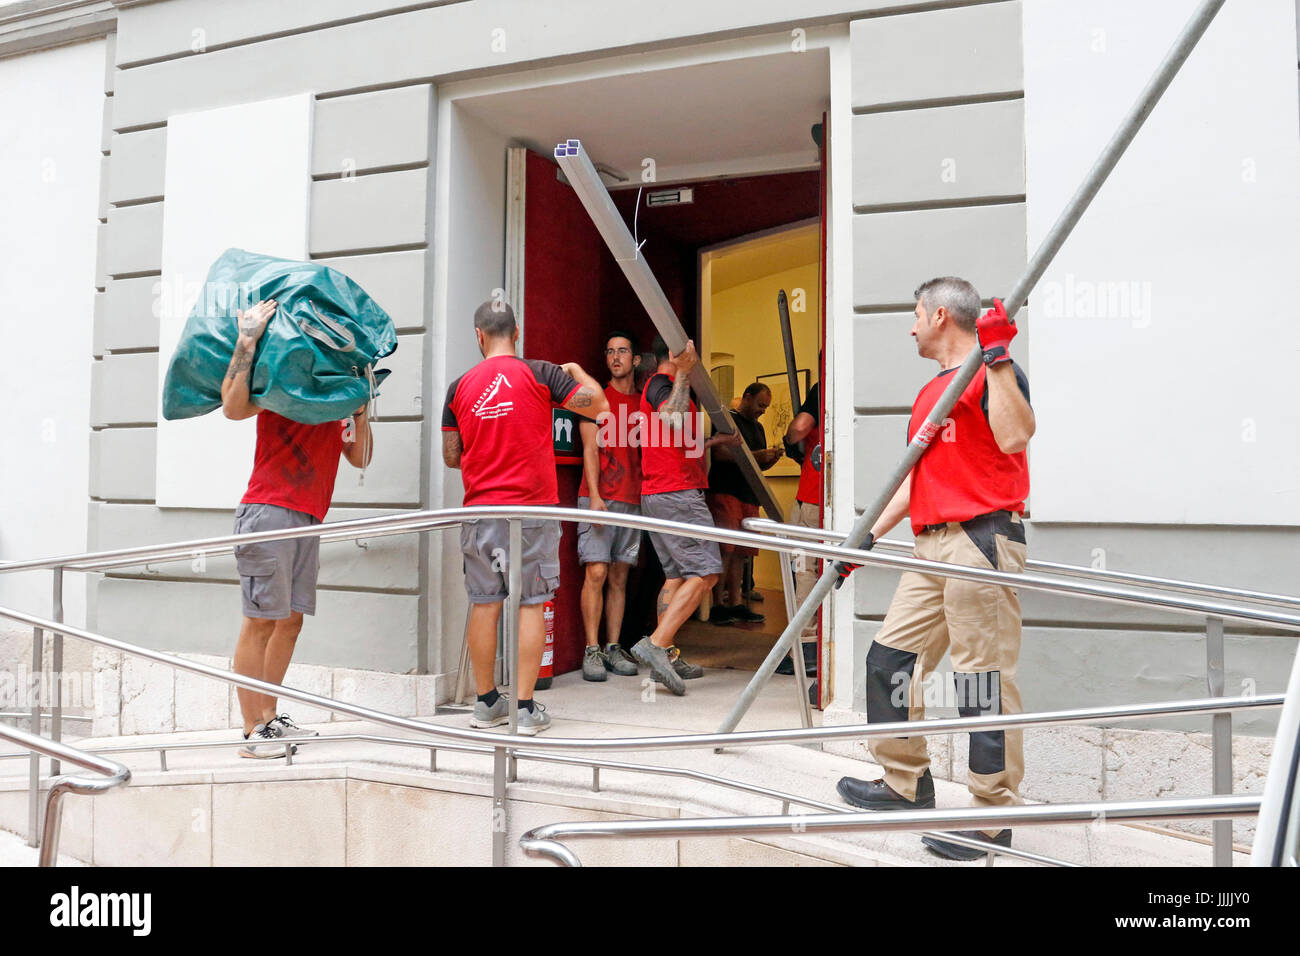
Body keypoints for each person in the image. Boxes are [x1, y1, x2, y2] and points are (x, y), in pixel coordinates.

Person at [834, 277, 1034, 861]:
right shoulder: (929, 395)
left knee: (981, 682)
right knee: (889, 659)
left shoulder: (994, 373)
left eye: (915, 314)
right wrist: (865, 536)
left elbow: (1016, 434)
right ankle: (905, 782)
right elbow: (917, 479)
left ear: (941, 315)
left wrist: (996, 356)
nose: (910, 325)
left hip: (981, 539)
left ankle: (993, 822)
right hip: (930, 544)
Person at [442, 299, 608, 735]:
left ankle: (486, 704)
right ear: (516, 333)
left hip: (481, 511)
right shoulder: (542, 372)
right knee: (532, 602)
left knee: (485, 602)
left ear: (479, 336)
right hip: (531, 510)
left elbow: (451, 457)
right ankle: (525, 709)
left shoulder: (458, 387)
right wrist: (574, 372)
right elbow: (599, 407)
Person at [222, 298, 375, 758]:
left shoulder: (338, 395)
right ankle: (252, 732)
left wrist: (362, 404)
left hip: (309, 516)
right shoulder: (283, 378)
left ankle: (269, 718)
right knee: (260, 621)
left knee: (289, 622)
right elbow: (232, 407)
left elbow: (361, 458)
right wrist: (247, 340)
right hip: (269, 509)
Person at [631, 336, 739, 694]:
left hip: (661, 493)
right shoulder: (663, 383)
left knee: (676, 576)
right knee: (706, 572)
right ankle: (657, 645)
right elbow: (671, 415)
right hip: (676, 494)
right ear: (677, 356)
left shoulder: (664, 388)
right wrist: (684, 372)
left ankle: (667, 654)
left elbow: (675, 437)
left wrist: (715, 442)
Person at [576, 330, 643, 682]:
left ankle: (614, 646)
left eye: (623, 351)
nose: (616, 357)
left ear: (636, 359)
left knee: (619, 576)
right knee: (596, 572)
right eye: (610, 351)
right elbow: (590, 449)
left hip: (633, 499)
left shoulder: (645, 402)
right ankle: (592, 648)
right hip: (598, 498)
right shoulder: (594, 399)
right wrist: (596, 496)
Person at [706, 382, 782, 624]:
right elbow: (719, 453)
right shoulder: (728, 420)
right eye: (760, 404)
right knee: (725, 549)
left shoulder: (758, 429)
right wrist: (759, 455)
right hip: (726, 491)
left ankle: (736, 602)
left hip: (750, 495)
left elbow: (757, 465)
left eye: (766, 407)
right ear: (747, 397)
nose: (763, 410)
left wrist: (771, 459)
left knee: (742, 553)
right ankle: (717, 605)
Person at [780, 378, 824, 680]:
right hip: (835, 499)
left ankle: (805, 646)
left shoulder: (822, 387)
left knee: (805, 570)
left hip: (812, 497)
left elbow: (799, 426)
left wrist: (788, 442)